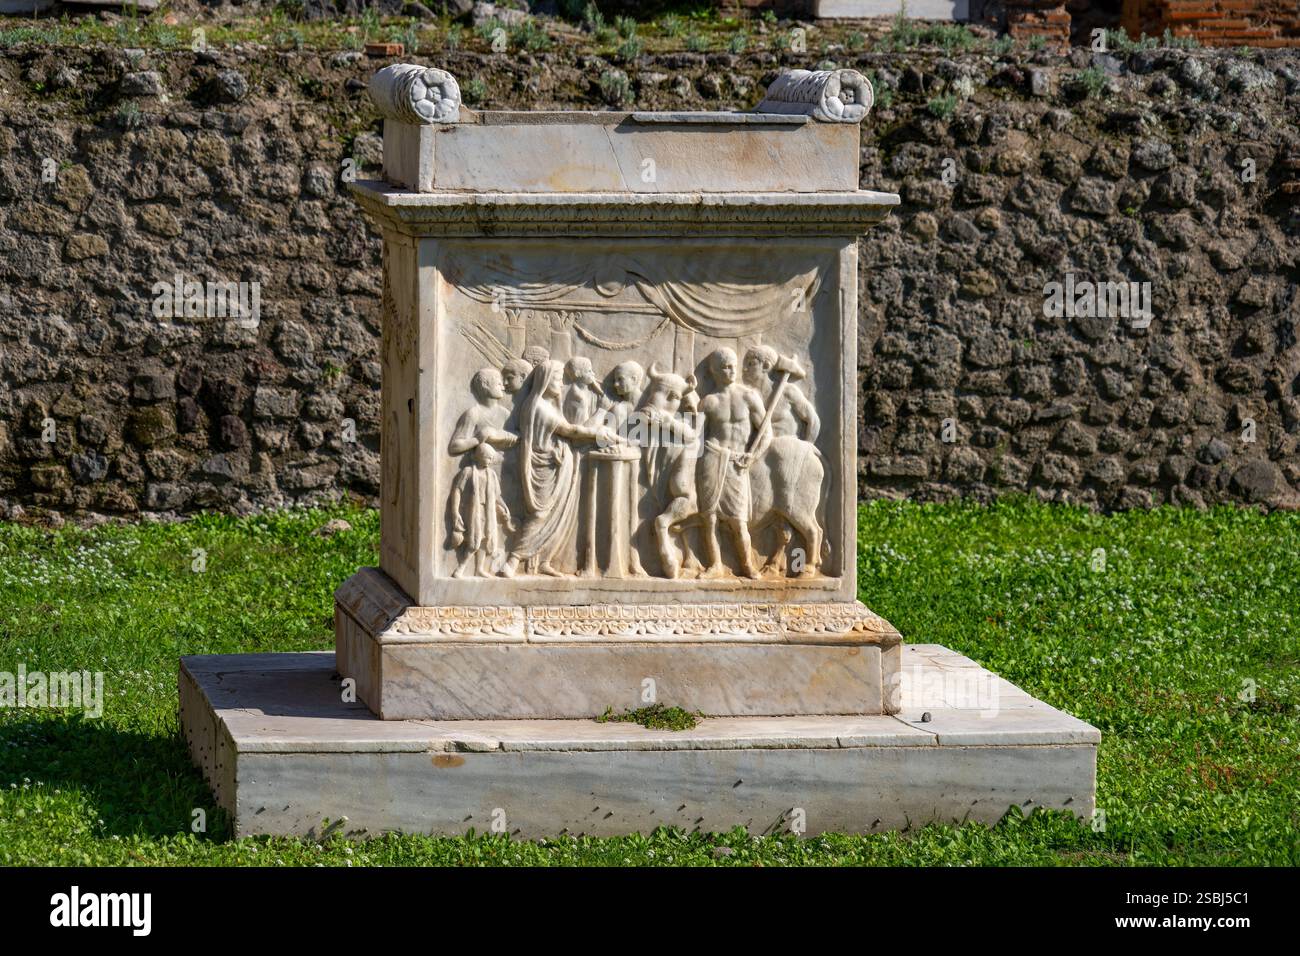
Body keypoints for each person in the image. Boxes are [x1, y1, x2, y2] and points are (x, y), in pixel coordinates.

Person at [500, 361, 612, 578]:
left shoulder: (539, 405)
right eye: (557, 380)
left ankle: (545, 561)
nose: (561, 385)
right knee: (541, 515)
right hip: (545, 470)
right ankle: (513, 560)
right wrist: (600, 416)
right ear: (544, 381)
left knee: (560, 515)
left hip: (556, 466)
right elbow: (571, 431)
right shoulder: (540, 408)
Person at [695, 348, 765, 579]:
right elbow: (695, 437)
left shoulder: (749, 396)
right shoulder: (708, 402)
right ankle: (715, 565)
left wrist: (753, 455)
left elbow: (765, 433)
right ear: (714, 371)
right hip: (712, 458)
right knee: (710, 517)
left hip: (737, 462)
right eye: (725, 366)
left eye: (733, 365)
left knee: (738, 520)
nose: (731, 370)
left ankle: (747, 565)